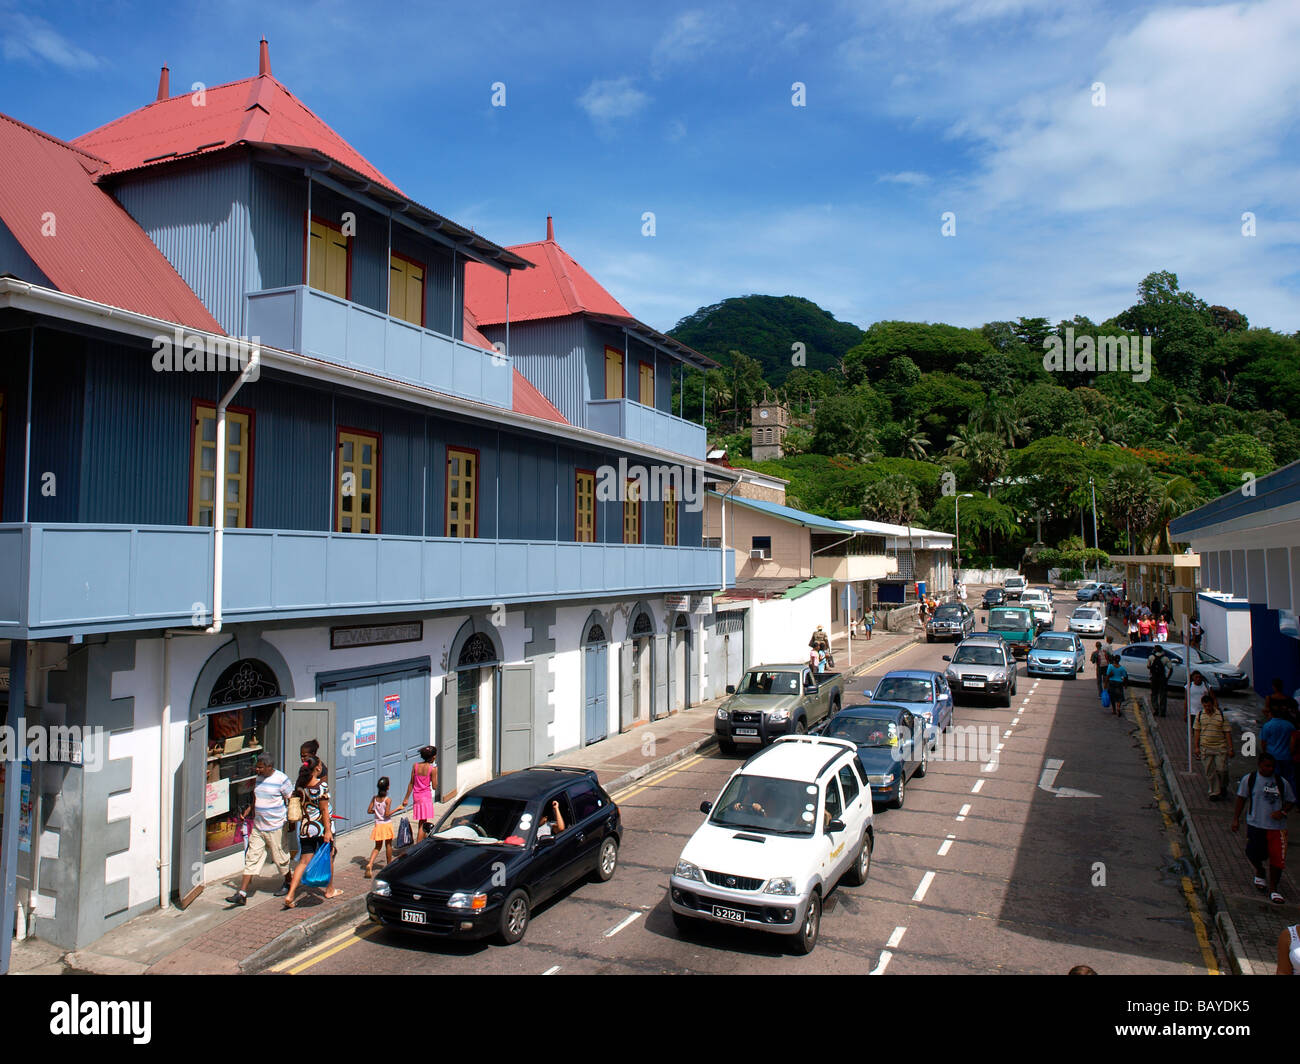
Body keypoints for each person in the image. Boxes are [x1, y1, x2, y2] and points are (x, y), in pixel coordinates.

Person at [226, 757, 293, 906]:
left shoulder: (281, 779)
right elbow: (256, 799)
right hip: (258, 827)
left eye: (261, 767)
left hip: (276, 827)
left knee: (280, 858)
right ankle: (242, 894)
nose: (258, 770)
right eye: (257, 767)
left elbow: (292, 799)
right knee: (252, 858)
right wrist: (249, 810)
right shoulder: (259, 778)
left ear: (269, 766)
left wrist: (291, 820)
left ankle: (289, 882)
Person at [1231, 753, 1296, 905]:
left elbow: (1290, 801)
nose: (1270, 769)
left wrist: (1282, 812)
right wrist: (1236, 819)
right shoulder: (1250, 779)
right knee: (1253, 853)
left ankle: (1274, 889)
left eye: (1272, 766)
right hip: (1256, 824)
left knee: (1277, 860)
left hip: (1277, 828)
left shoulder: (1281, 782)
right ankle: (1260, 870)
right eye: (1267, 766)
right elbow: (1241, 798)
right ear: (1259, 765)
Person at [283, 757, 341, 908]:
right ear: (317, 769)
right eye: (320, 765)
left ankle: (290, 895)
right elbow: (324, 810)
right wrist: (328, 831)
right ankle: (329, 889)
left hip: (305, 829)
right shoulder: (321, 787)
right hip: (321, 828)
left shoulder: (300, 786)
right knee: (329, 856)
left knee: (303, 862)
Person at [1192, 693, 1233, 800]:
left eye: (1209, 706)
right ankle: (1214, 792)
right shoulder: (1200, 715)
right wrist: (1196, 747)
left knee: (1222, 769)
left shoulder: (1221, 716)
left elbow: (1227, 732)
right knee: (1209, 771)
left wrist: (1230, 748)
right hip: (1205, 747)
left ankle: (1223, 785)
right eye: (1205, 706)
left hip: (1220, 747)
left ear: (1213, 704)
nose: (1207, 708)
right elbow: (1197, 732)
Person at [366, 776, 403, 878]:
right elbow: (387, 814)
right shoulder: (388, 800)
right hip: (386, 824)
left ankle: (370, 863)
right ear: (388, 787)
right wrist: (397, 809)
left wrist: (376, 811)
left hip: (378, 824)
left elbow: (369, 810)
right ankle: (389, 865)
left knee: (377, 846)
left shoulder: (375, 798)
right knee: (388, 845)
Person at [1261, 700, 1299, 797]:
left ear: (1271, 714)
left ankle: (1275, 797)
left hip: (1272, 756)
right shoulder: (1290, 726)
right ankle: (1292, 798)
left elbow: (1263, 743)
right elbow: (1293, 742)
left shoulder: (1267, 726)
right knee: (1290, 779)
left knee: (1273, 779)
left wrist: (1264, 754)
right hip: (1287, 756)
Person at [402, 745, 438, 843]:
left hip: (416, 796)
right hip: (425, 797)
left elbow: (411, 783)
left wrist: (406, 798)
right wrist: (435, 774)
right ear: (433, 757)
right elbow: (434, 786)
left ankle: (421, 840)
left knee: (421, 821)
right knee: (423, 823)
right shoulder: (433, 769)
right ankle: (419, 844)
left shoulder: (415, 766)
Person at [1149, 647, 1170, 718]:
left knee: (1154, 694)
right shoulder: (1165, 658)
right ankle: (1163, 711)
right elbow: (1171, 668)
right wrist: (1167, 678)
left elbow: (1148, 666)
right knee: (1163, 695)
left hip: (1154, 678)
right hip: (1162, 678)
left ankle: (1156, 709)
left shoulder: (1151, 657)